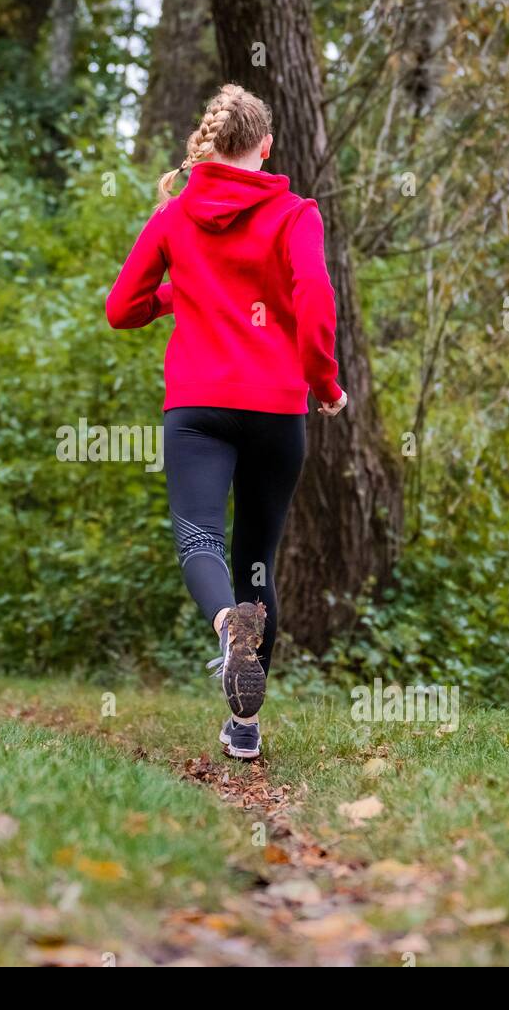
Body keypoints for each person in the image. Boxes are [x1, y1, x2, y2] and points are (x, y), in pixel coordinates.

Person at [106, 83, 348, 760]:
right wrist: (324, 382)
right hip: (276, 407)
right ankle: (245, 726)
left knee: (199, 540)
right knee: (257, 560)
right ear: (265, 148)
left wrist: (177, 293)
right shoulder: (296, 213)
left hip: (198, 408)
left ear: (211, 142)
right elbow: (316, 299)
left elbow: (121, 307)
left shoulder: (175, 216)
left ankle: (224, 626)